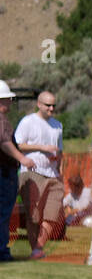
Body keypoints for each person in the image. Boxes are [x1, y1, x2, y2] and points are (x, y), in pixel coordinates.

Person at [14, 90, 64, 259]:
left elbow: (60, 151)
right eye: (48, 105)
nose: (51, 109)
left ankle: (38, 248)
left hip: (53, 174)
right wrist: (42, 148)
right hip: (32, 173)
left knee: (52, 214)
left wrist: (60, 172)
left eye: (53, 106)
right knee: (33, 215)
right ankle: (35, 249)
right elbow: (18, 145)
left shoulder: (58, 125)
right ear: (39, 104)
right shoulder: (28, 122)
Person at [0, 81, 38, 262]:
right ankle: (1, 251)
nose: (10, 102)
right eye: (8, 99)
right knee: (3, 212)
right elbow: (5, 142)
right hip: (4, 173)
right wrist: (22, 158)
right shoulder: (1, 120)